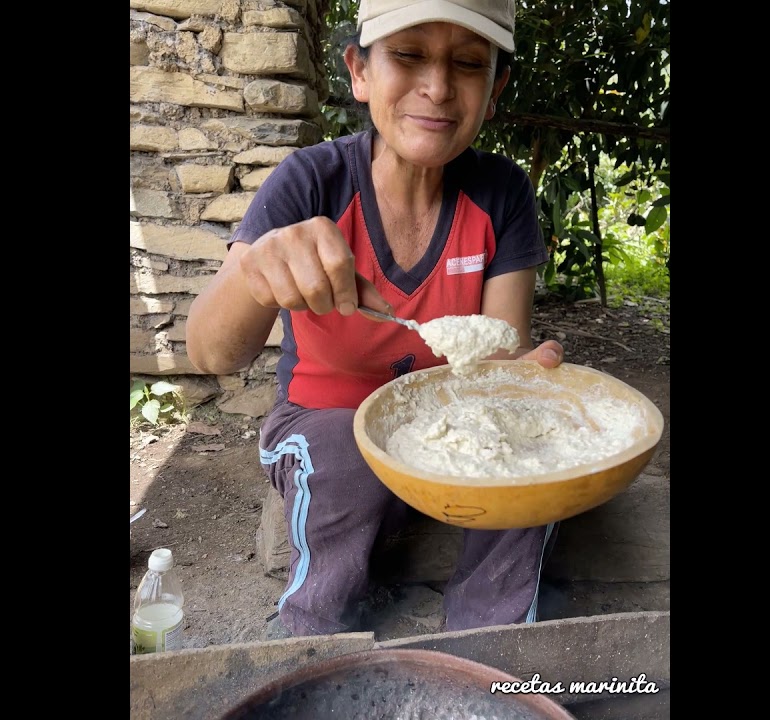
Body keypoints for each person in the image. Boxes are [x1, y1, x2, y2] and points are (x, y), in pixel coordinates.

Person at [185, 0, 566, 637]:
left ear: (494, 89)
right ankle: (312, 645)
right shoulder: (313, 182)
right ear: (359, 73)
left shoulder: (500, 193)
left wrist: (529, 384)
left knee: (533, 445)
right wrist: (256, 275)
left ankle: (491, 653)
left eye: (468, 64)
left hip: (448, 420)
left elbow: (500, 361)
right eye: (409, 54)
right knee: (345, 451)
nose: (439, 87)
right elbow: (211, 354)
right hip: (322, 423)